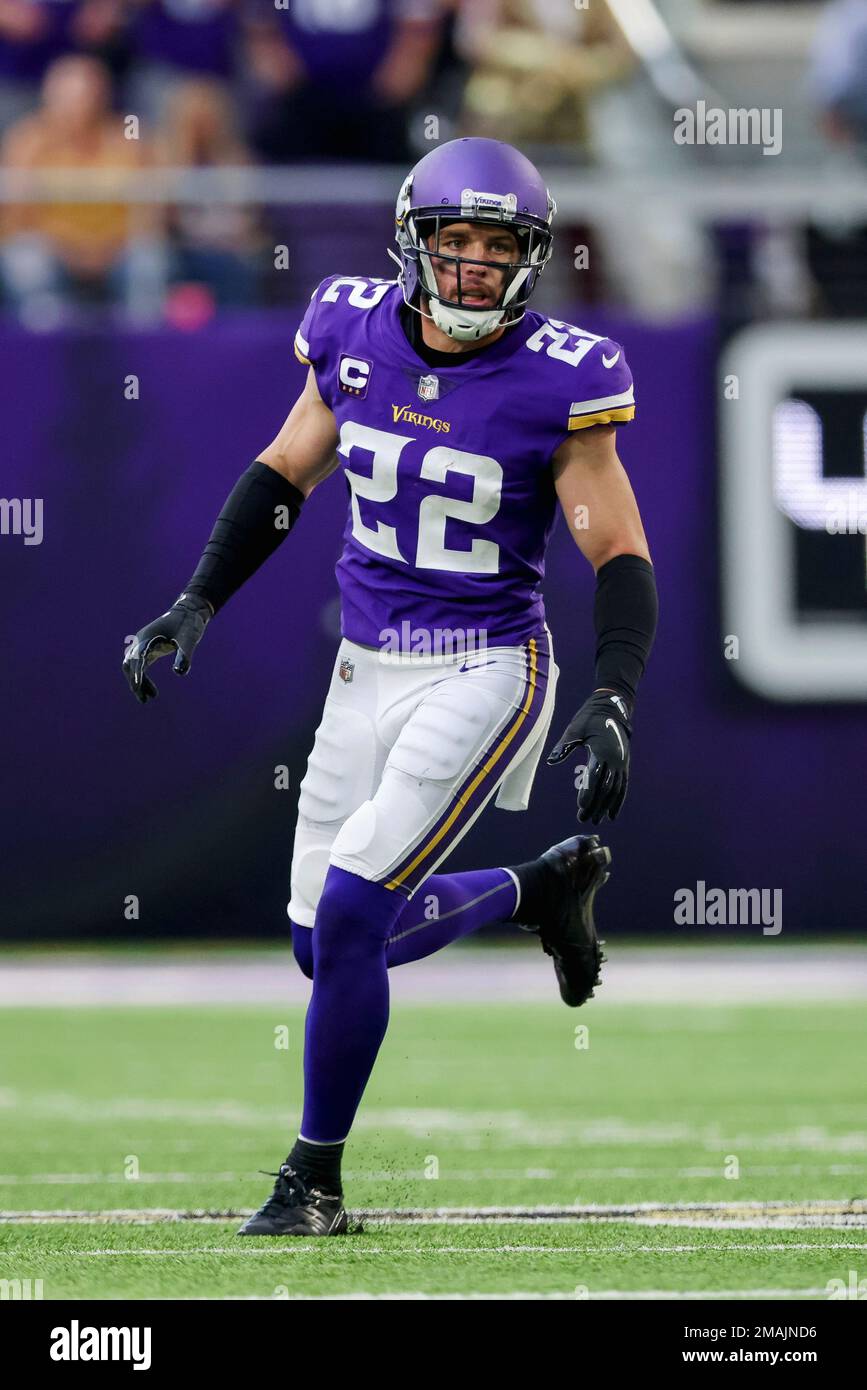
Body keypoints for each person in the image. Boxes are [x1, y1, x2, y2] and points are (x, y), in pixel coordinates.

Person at [122, 137, 658, 1237]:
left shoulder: (564, 374)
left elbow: (617, 553)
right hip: (365, 668)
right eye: (452, 241)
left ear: (530, 257)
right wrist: (199, 599)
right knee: (324, 945)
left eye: (494, 245)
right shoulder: (351, 327)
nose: (470, 266)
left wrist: (614, 694)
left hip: (485, 667)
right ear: (414, 242)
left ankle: (313, 1180)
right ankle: (538, 890)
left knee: (360, 909)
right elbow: (286, 467)